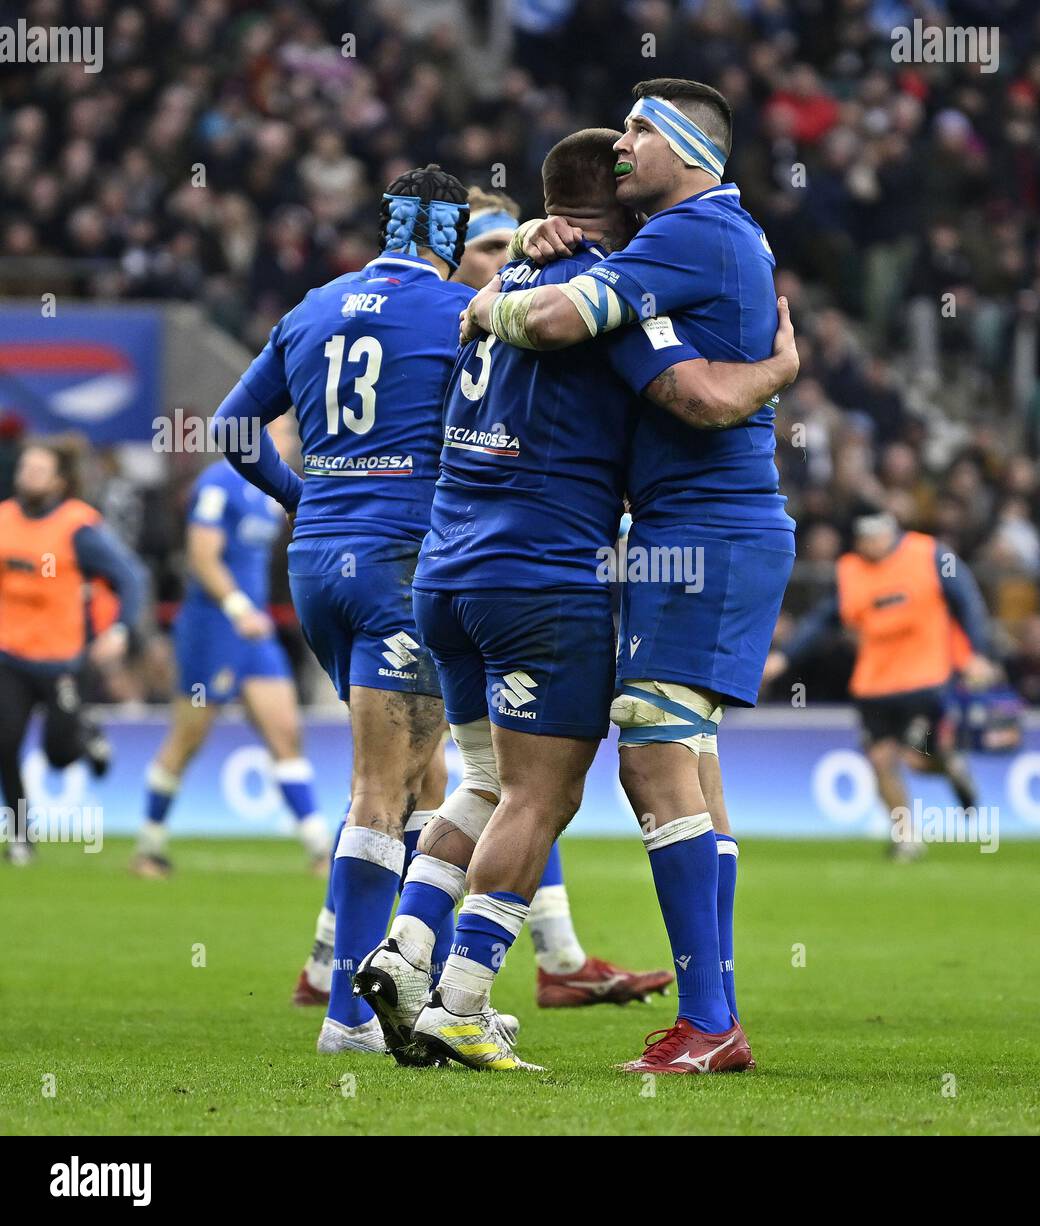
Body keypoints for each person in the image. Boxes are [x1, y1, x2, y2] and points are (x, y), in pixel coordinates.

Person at [356, 126, 797, 1072]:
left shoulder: (506, 280)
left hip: (445, 573)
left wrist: (509, 264)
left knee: (479, 779)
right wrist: (778, 374)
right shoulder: (605, 298)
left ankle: (405, 947)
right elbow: (693, 396)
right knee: (541, 792)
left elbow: (498, 321)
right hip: (543, 575)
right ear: (624, 203)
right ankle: (467, 1000)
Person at [291, 179, 675, 1014]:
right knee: (502, 783)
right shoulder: (496, 320)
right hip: (488, 568)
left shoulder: (438, 319)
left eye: (513, 242)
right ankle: (414, 998)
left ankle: (375, 955)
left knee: (470, 778)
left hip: (415, 572)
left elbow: (246, 425)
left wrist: (314, 495)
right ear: (458, 249)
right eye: (491, 247)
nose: (506, 259)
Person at [213, 164, 476, 1054]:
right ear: (448, 234)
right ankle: (350, 1020)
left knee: (408, 782)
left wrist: (303, 497)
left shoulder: (314, 305)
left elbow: (229, 429)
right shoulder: (461, 314)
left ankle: (409, 989)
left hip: (318, 561)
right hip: (405, 562)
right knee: (388, 784)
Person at [131, 424, 330, 878]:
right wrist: (238, 606)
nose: (290, 444)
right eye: (281, 435)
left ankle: (320, 849)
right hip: (212, 629)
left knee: (285, 732)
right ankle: (149, 844)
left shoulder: (269, 491)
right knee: (188, 738)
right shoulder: (218, 483)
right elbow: (202, 557)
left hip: (253, 633)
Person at [0, 439, 145, 864]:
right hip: (9, 655)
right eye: (25, 467)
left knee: (59, 755)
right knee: (3, 742)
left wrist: (120, 629)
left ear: (60, 481)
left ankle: (87, 737)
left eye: (38, 470)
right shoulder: (4, 519)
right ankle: (22, 835)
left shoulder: (77, 528)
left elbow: (130, 576)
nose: (28, 476)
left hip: (62, 660)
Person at [834, 504, 997, 859]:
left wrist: (976, 653)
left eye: (873, 537)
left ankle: (949, 765)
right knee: (879, 758)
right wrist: (786, 656)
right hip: (874, 685)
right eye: (862, 539)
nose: (868, 545)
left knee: (915, 758)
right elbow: (828, 617)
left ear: (890, 532)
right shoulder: (850, 570)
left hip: (925, 681)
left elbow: (966, 601)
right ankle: (906, 836)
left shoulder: (929, 554)